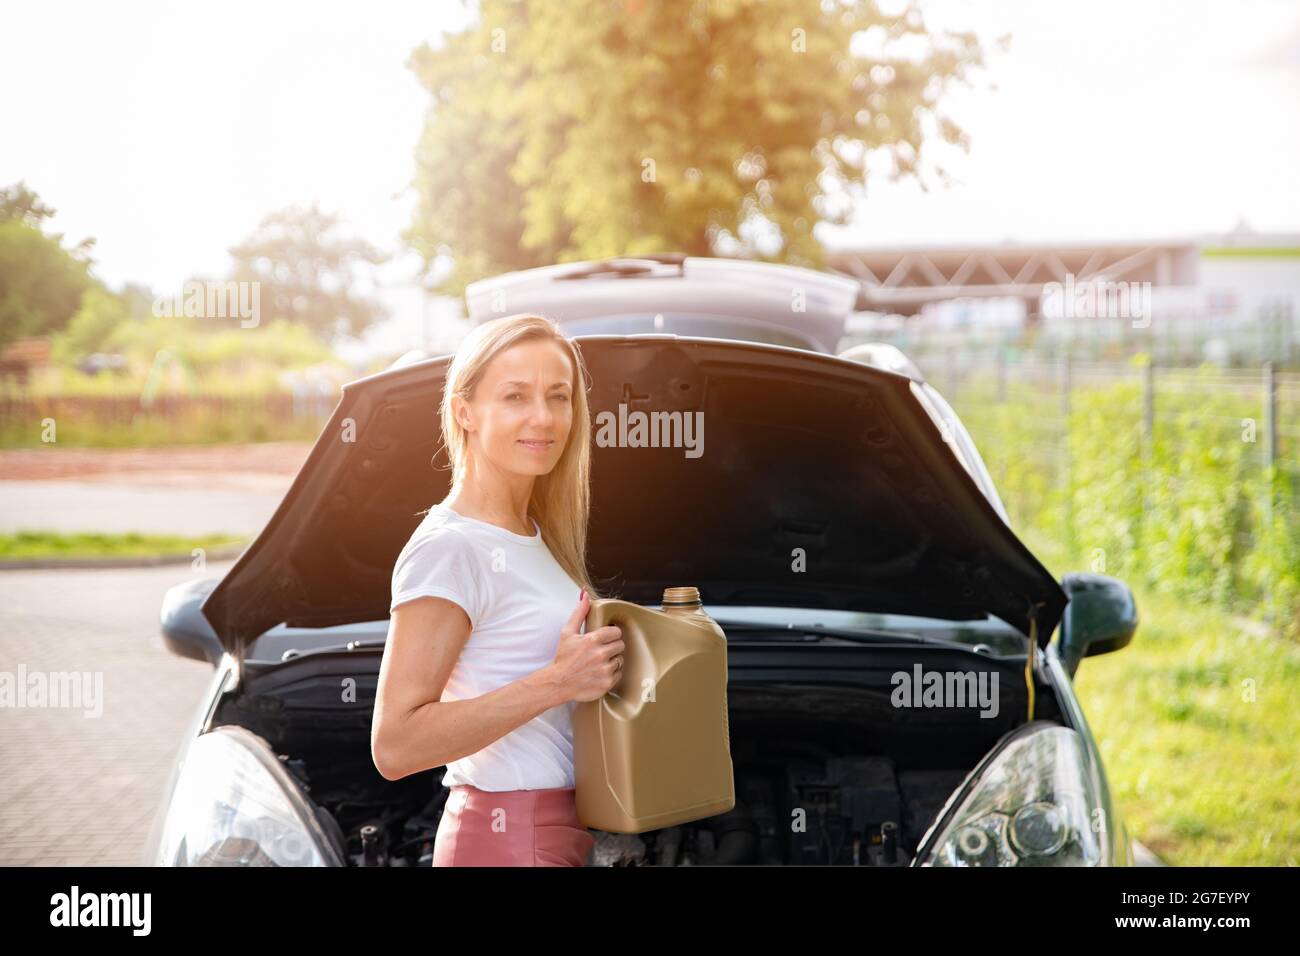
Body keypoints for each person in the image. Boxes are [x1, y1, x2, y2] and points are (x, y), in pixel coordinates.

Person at [370, 313, 625, 866]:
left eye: (559, 397)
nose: (544, 417)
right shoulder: (450, 547)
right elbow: (395, 745)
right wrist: (556, 681)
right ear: (465, 411)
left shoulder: (539, 536)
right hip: (508, 840)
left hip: (556, 831)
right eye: (515, 396)